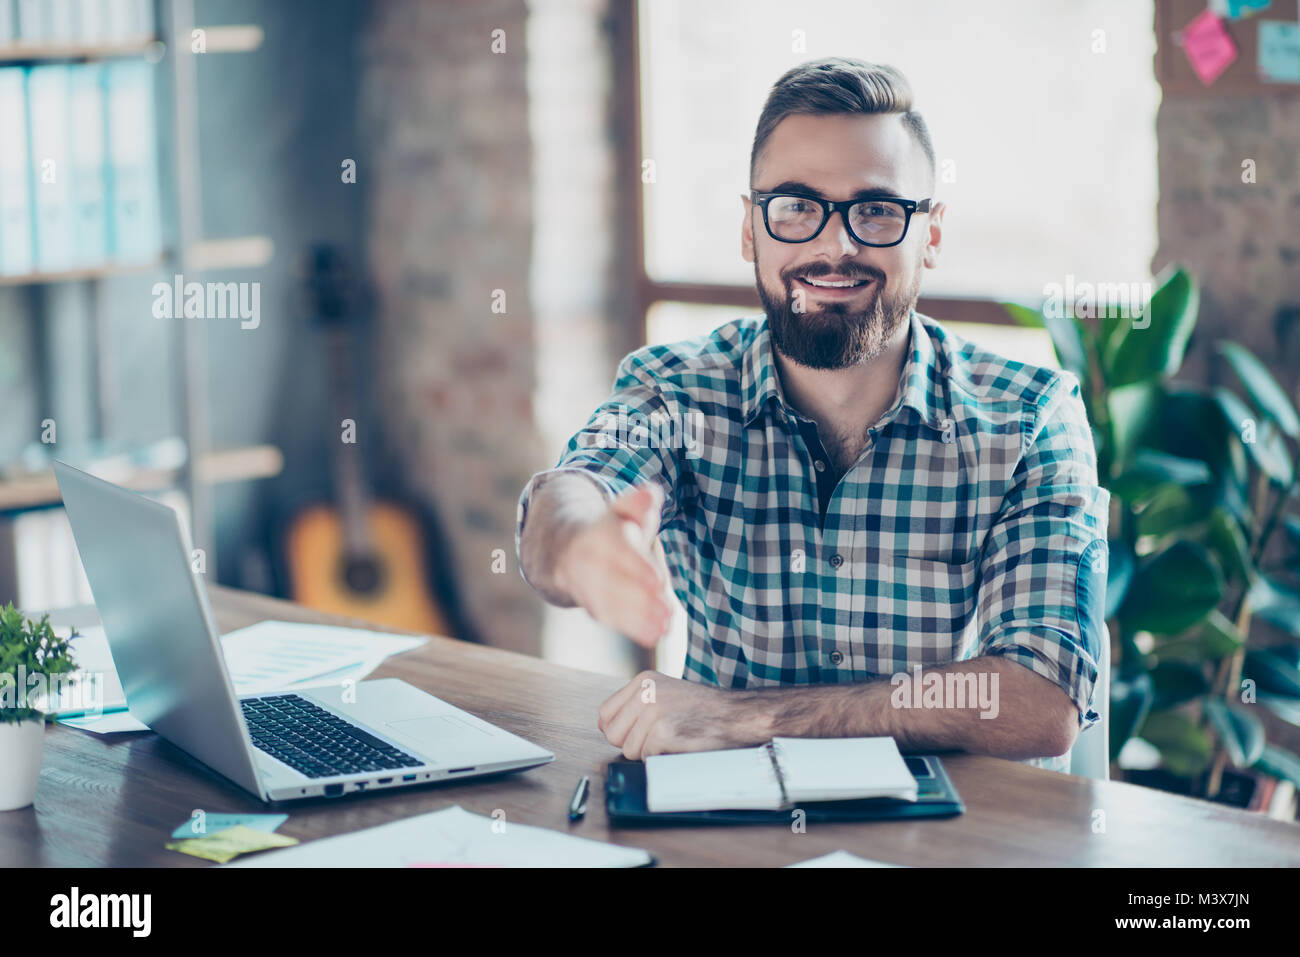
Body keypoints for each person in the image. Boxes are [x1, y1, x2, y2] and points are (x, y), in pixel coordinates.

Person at [515, 57, 1109, 773]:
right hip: (726, 813)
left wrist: (751, 717)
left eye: (877, 210)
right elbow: (564, 499)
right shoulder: (676, 390)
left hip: (955, 823)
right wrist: (581, 544)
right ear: (750, 228)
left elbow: (1042, 698)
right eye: (796, 206)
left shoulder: (1030, 418)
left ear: (931, 235)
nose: (836, 246)